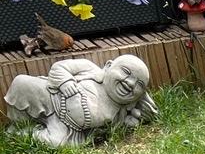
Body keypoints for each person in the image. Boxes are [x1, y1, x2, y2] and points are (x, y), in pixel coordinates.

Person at [4, 54, 155, 147]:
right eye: (126, 72)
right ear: (108, 66)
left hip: (70, 127)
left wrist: (132, 119)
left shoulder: (120, 110)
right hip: (51, 95)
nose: (129, 83)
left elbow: (118, 127)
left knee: (56, 143)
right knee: (21, 83)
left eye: (139, 84)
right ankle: (21, 122)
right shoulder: (90, 68)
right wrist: (65, 82)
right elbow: (59, 67)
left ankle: (22, 133)